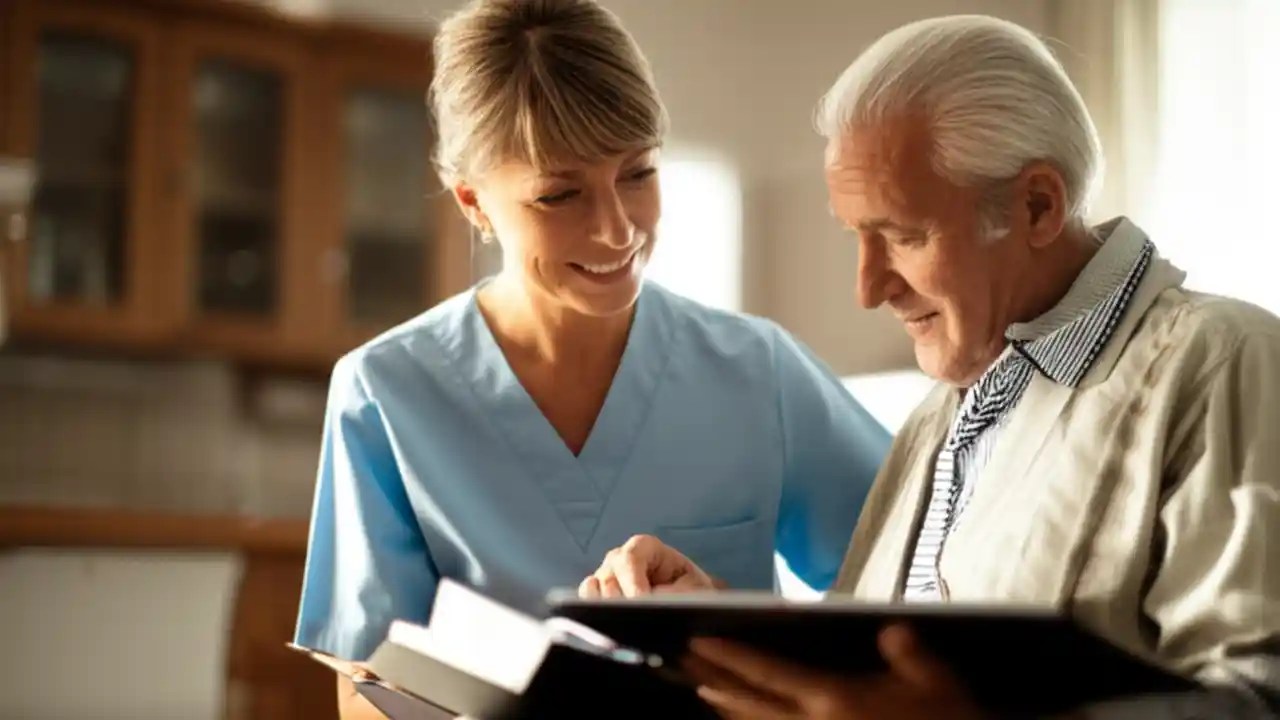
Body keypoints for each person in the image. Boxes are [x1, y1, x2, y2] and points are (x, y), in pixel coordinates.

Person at [584, 14, 1280, 720]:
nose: (868, 287)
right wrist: (730, 632)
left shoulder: (1223, 361)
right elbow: (876, 680)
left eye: (904, 236)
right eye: (857, 237)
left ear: (1037, 205)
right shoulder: (942, 413)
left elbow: (1260, 699)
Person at [290, 0, 892, 717]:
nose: (615, 229)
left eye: (638, 174)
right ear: (474, 201)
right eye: (560, 194)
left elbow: (915, 586)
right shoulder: (385, 394)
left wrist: (729, 614)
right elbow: (366, 688)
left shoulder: (757, 371)